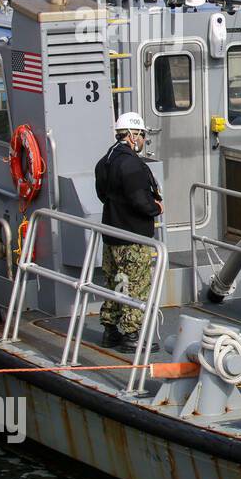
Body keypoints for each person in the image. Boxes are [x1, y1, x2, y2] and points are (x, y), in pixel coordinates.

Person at [94, 112, 163, 353]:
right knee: (136, 284)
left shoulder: (105, 161)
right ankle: (133, 336)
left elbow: (102, 195)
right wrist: (156, 207)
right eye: (142, 135)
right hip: (132, 236)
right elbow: (139, 200)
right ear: (133, 135)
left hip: (111, 234)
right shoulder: (132, 164)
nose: (143, 140)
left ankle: (110, 331)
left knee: (114, 282)